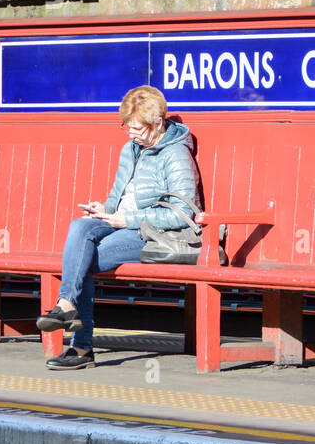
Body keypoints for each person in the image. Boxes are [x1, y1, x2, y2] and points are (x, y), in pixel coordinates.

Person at [37, 85, 200, 370]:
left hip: (149, 234)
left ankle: (81, 346)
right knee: (80, 226)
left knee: (81, 262)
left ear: (158, 123)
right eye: (127, 127)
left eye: (138, 129)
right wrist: (104, 210)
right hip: (120, 223)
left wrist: (127, 220)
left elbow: (183, 214)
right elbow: (117, 198)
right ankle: (67, 305)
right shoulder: (131, 149)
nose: (132, 134)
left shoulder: (175, 155)